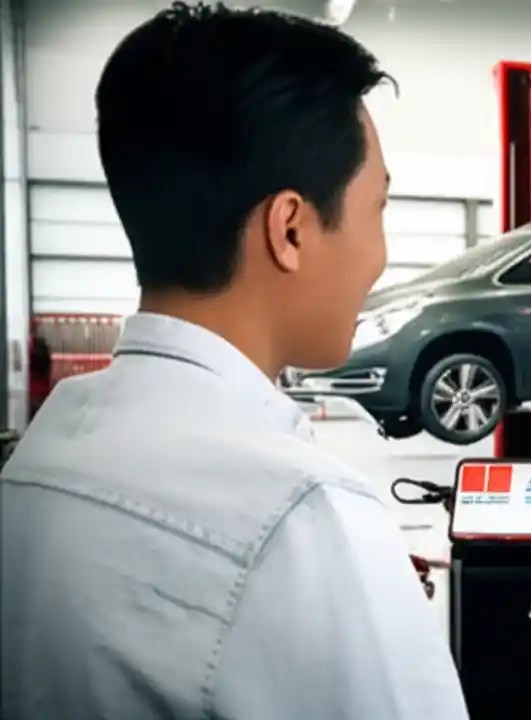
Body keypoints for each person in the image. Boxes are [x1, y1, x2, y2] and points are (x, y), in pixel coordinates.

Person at [0, 4, 469, 719]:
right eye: (378, 208)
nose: (381, 257)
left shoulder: (36, 463)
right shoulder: (305, 517)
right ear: (290, 229)